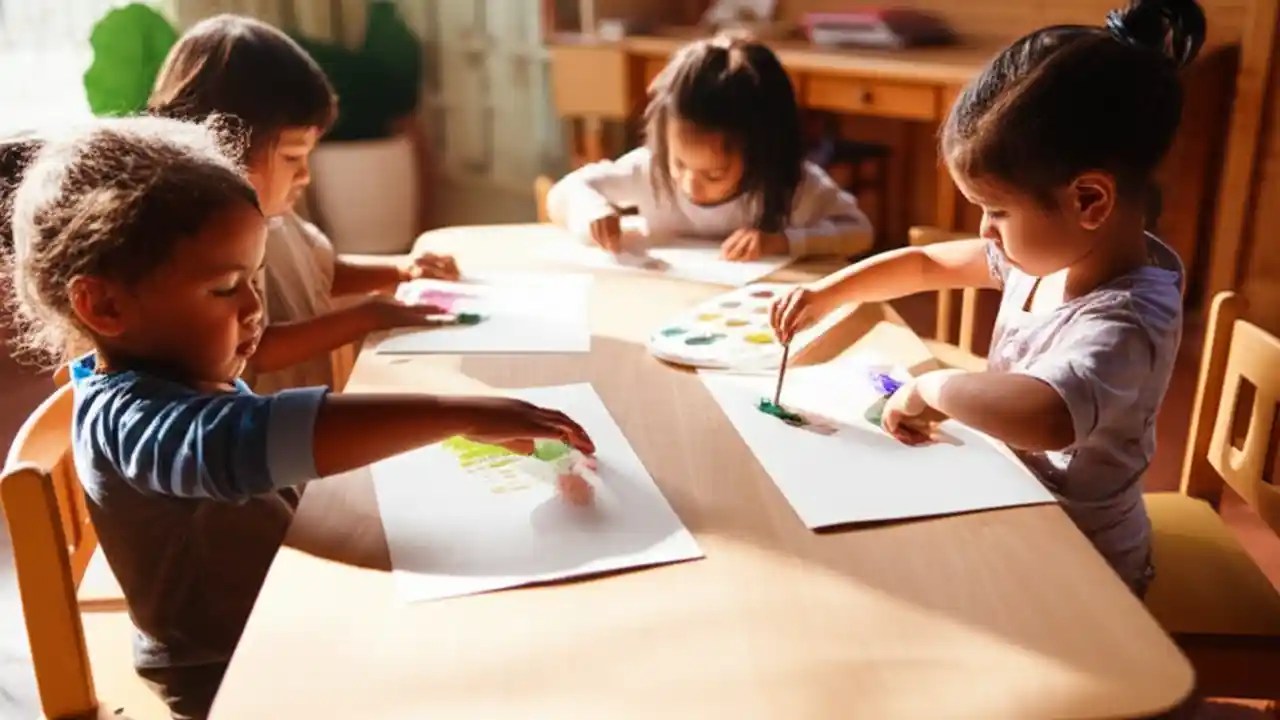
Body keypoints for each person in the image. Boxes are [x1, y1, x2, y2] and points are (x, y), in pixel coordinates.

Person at [5, 116, 593, 719]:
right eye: (226, 288)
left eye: (253, 279)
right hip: (226, 669)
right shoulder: (124, 415)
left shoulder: (173, 371)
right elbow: (236, 446)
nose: (256, 307)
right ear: (104, 305)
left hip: (282, 611)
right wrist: (456, 414)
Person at [771, 0, 1205, 596]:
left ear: (1089, 201)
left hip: (1082, 572)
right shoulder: (1056, 252)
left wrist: (933, 387)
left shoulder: (1127, 321)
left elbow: (1045, 415)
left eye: (997, 211)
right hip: (1012, 507)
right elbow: (926, 262)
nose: (984, 232)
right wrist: (827, 293)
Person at [148, 14, 458, 393]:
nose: (305, 176)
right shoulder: (212, 245)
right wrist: (365, 317)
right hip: (257, 431)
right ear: (227, 151)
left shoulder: (275, 214)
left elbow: (319, 273)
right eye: (293, 157)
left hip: (302, 413)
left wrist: (399, 270)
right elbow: (254, 350)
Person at [547, 34, 872, 262]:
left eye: (714, 173)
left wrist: (783, 242)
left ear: (762, 153)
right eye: (679, 164)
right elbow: (563, 192)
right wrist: (593, 211)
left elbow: (859, 231)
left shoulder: (790, 185)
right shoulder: (650, 169)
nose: (690, 184)